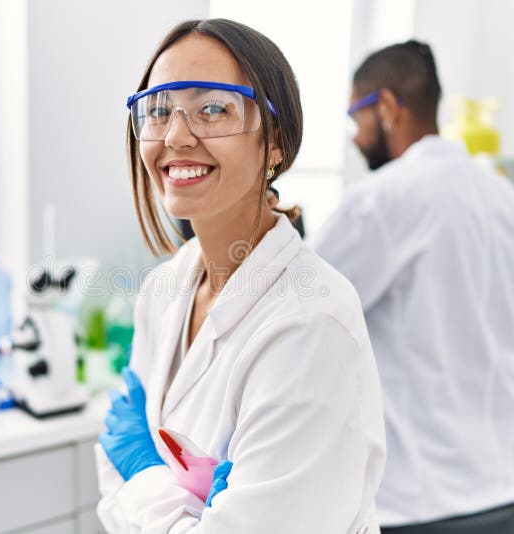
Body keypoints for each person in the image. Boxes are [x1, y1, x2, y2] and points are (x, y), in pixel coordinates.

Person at [94, 18, 386, 533]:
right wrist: (191, 506)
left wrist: (143, 477)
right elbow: (106, 482)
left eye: (213, 109)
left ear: (275, 144)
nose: (176, 136)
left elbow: (124, 486)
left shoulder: (311, 324)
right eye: (158, 110)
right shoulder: (163, 291)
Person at [312, 40, 514, 533]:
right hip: (499, 495)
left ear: (387, 107)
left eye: (356, 116)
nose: (353, 136)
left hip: (413, 506)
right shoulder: (506, 199)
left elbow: (299, 307)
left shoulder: (384, 199)